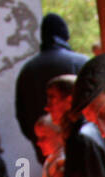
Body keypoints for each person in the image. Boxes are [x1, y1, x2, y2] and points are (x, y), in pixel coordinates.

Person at [15, 13, 89, 154]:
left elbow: (22, 115)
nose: (49, 108)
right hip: (82, 147)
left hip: (47, 151)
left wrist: (39, 139)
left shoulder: (27, 71)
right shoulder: (80, 62)